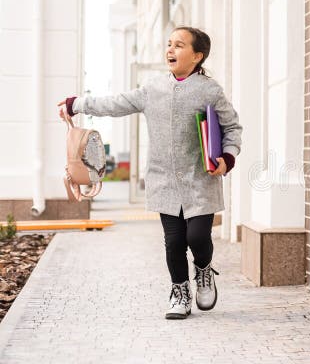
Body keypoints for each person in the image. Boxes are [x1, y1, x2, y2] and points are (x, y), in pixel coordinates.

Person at [57, 26, 243, 320]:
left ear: (197, 56)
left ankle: (204, 270)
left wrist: (227, 158)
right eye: (169, 44)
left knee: (197, 237)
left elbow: (232, 127)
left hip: (200, 180)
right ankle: (180, 292)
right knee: (174, 242)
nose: (170, 49)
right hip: (163, 180)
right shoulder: (153, 89)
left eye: (179, 45)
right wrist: (77, 104)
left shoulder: (209, 90)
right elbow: (116, 103)